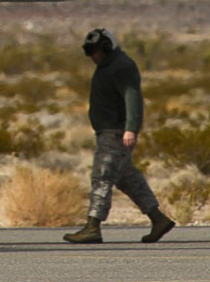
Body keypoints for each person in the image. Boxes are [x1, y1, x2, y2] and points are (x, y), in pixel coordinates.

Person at [64, 28, 175, 244]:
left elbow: (133, 98)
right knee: (127, 179)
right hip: (109, 131)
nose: (91, 57)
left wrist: (131, 128)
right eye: (88, 52)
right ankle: (158, 219)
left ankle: (93, 226)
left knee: (102, 177)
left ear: (105, 48)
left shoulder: (121, 67)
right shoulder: (108, 66)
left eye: (94, 51)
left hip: (115, 133)